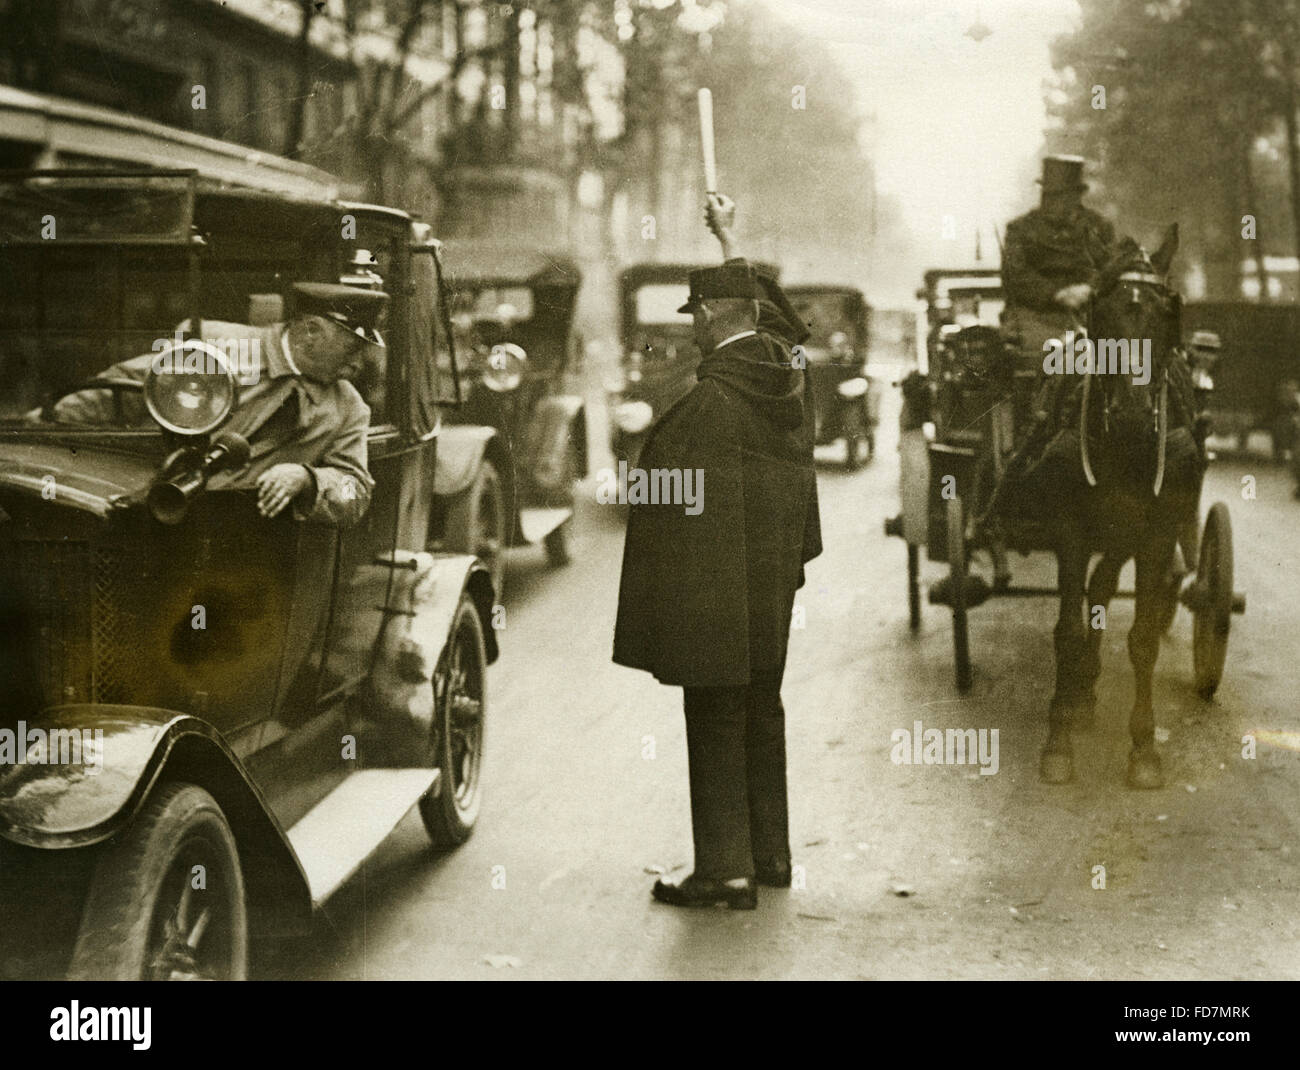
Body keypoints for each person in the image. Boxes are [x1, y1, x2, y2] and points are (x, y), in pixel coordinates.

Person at [612, 192, 821, 910]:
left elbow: (673, 504)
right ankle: (770, 858)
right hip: (771, 586)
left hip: (716, 588)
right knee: (763, 706)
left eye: (697, 314)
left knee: (714, 714)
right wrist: (731, 240)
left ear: (709, 317)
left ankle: (723, 872)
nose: (694, 327)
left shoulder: (710, 403)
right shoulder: (788, 376)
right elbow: (787, 323)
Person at [46, 282, 385, 527]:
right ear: (311, 331)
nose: (358, 366)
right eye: (352, 350)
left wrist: (309, 479)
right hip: (142, 511)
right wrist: (41, 426)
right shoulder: (217, 347)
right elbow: (121, 391)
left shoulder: (348, 408)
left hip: (236, 542)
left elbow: (355, 493)